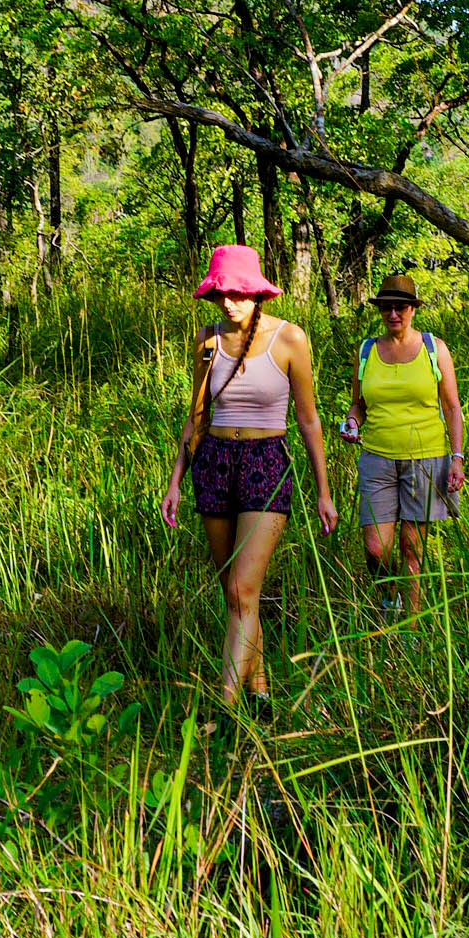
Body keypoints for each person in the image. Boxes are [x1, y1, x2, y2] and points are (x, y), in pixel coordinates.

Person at [161, 243, 337, 714]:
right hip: (214, 462)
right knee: (235, 593)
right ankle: (259, 691)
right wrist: (176, 479)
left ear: (257, 293)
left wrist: (323, 491)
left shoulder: (289, 338)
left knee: (243, 589)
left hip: (266, 463)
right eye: (220, 293)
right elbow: (197, 414)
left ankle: (225, 710)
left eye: (237, 293)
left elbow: (308, 420)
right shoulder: (206, 341)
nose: (228, 302)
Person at [340, 272, 464, 618]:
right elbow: (358, 405)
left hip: (425, 458)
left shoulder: (434, 349)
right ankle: (389, 598)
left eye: (400, 307)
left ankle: (410, 626)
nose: (393, 314)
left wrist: (457, 457)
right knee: (376, 548)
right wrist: (352, 423)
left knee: (413, 548)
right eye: (386, 308)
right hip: (377, 458)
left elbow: (452, 407)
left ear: (413, 309)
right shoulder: (367, 351)